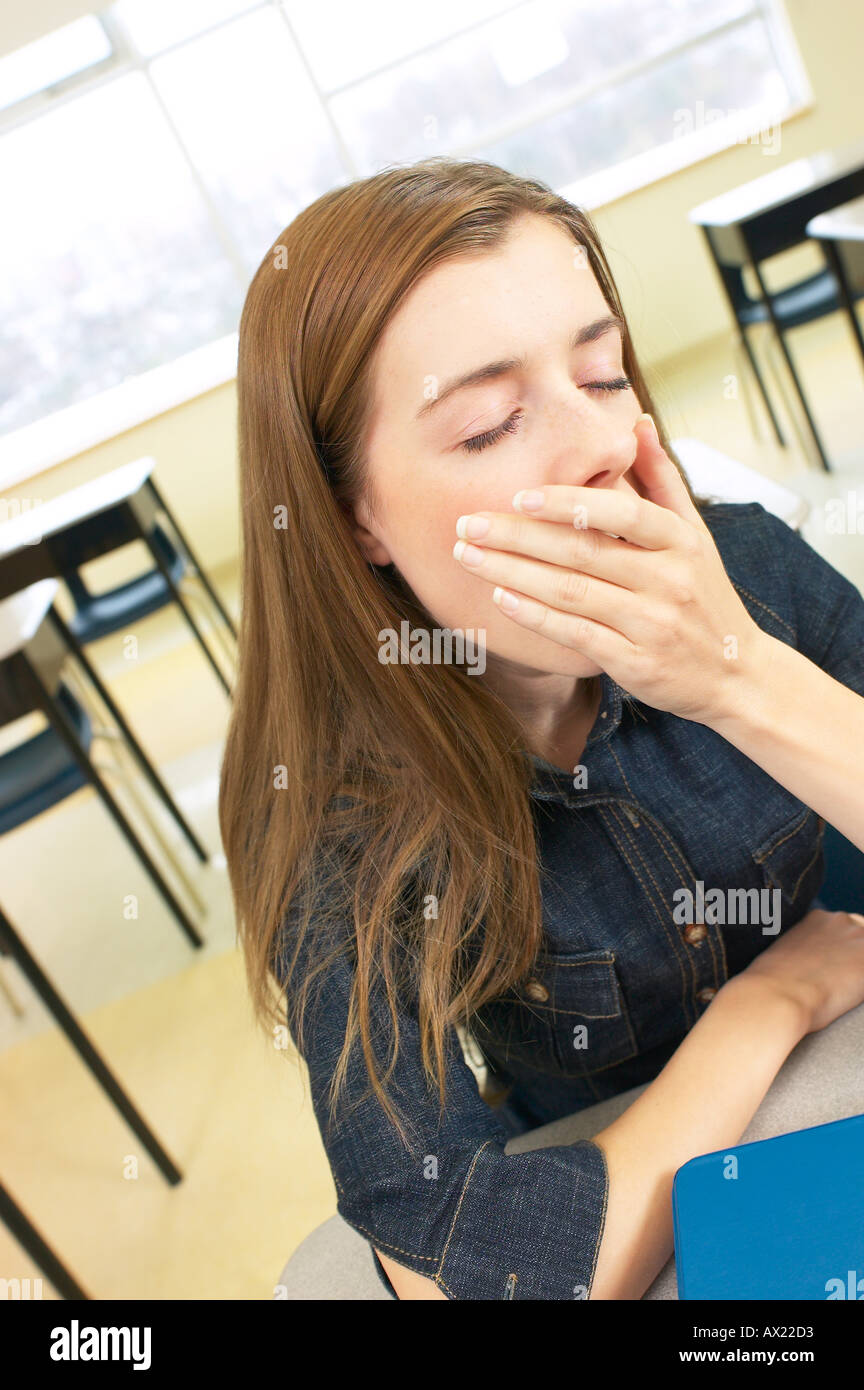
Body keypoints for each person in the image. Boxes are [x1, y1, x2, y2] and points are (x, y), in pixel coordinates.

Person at [218, 157, 864, 1300]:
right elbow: (463, 1273)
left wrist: (735, 675)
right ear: (354, 514)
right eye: (487, 426)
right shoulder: (330, 814)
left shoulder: (750, 567)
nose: (601, 453)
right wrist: (773, 1002)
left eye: (604, 374)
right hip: (642, 1166)